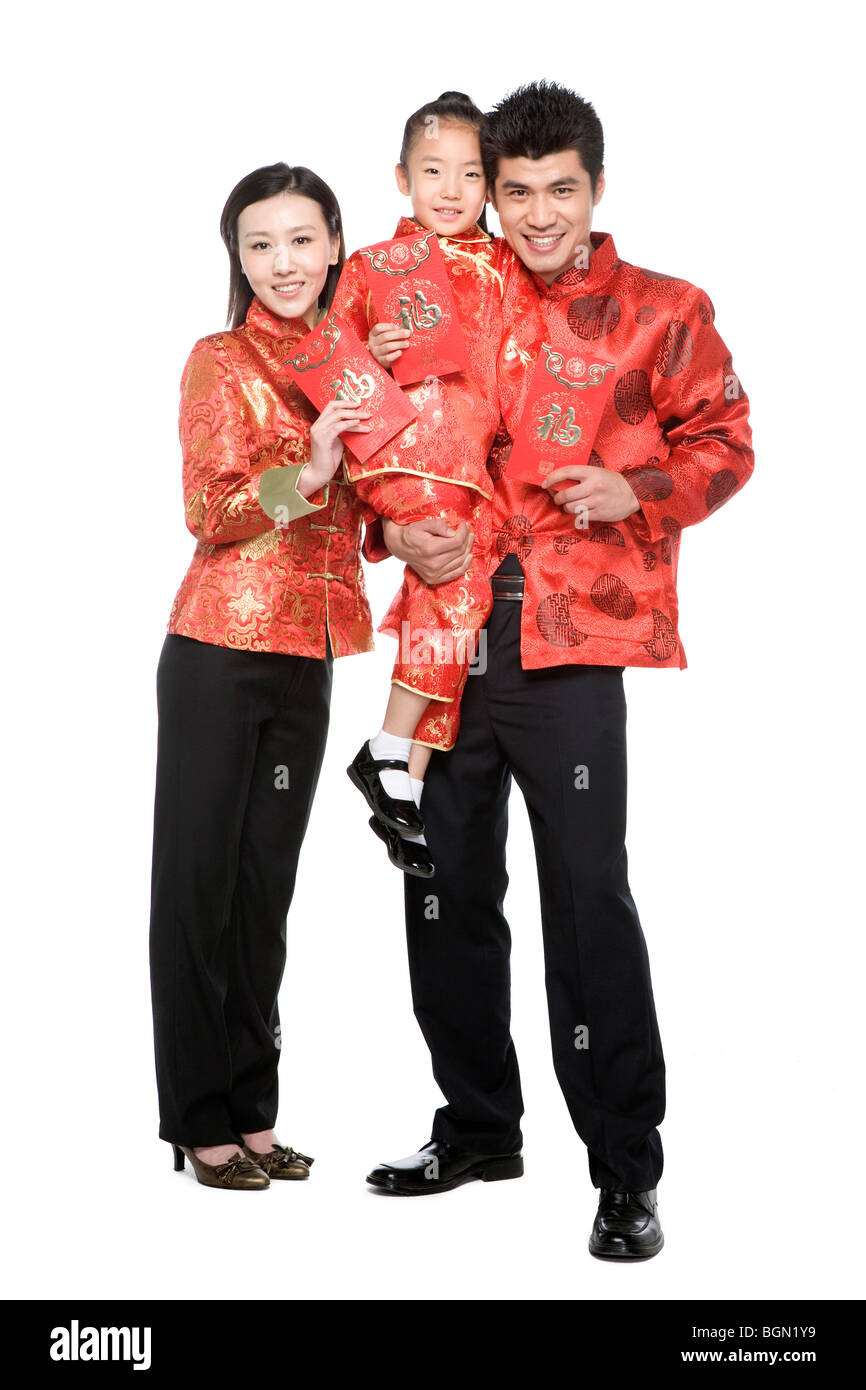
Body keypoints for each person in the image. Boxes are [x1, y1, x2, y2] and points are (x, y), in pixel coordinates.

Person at [361, 81, 754, 1261]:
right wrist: (391, 530)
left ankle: (624, 1169)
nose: (533, 214)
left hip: (571, 644)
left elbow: (727, 442)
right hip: (444, 634)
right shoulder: (451, 292)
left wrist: (633, 489)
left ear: (595, 186)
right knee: (441, 887)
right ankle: (479, 1124)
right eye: (512, 189)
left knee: (587, 904)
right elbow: (387, 436)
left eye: (556, 190)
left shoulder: (660, 310)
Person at [149, 162, 375, 1190]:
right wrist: (311, 473)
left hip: (309, 654)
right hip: (219, 652)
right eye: (259, 245)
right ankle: (199, 1122)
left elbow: (365, 527)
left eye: (300, 240)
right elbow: (208, 508)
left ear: (334, 243)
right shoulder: (219, 359)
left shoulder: (358, 367)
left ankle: (253, 1113)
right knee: (196, 890)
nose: (282, 263)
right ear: (238, 259)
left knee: (261, 895)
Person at [332, 92, 508, 878]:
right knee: (455, 574)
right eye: (433, 170)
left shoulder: (506, 266)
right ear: (403, 176)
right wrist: (370, 346)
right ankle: (392, 756)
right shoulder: (372, 266)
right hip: (400, 456)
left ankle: (400, 769)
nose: (450, 188)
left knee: (459, 592)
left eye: (470, 174)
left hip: (473, 474)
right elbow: (325, 361)